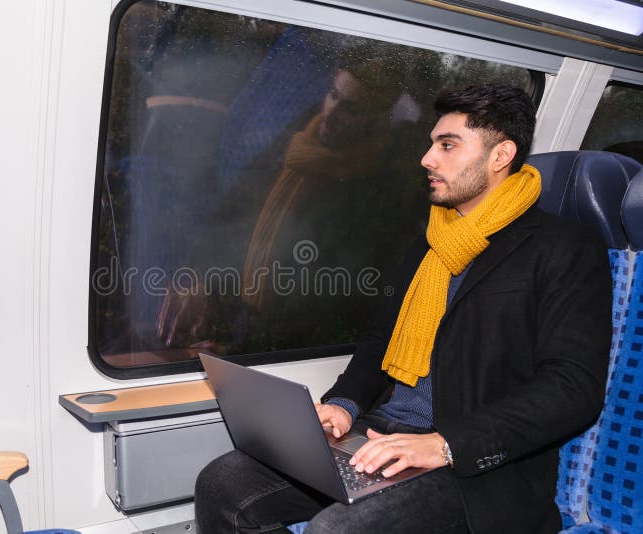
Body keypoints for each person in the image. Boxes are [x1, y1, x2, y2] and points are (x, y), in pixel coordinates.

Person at [194, 84, 611, 533]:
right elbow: (380, 341)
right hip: (383, 433)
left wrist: (445, 443)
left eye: (447, 145)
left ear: (500, 155)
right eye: (432, 143)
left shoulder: (564, 248)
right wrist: (344, 404)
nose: (427, 159)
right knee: (222, 483)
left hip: (474, 469)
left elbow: (572, 390)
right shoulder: (429, 241)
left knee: (337, 529)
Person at [157, 52, 428, 352]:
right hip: (234, 313)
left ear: (374, 122)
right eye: (333, 95)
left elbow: (328, 306)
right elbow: (236, 206)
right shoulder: (299, 142)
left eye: (350, 108)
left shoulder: (374, 198)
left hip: (280, 345)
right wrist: (197, 272)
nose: (332, 112)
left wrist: (241, 351)